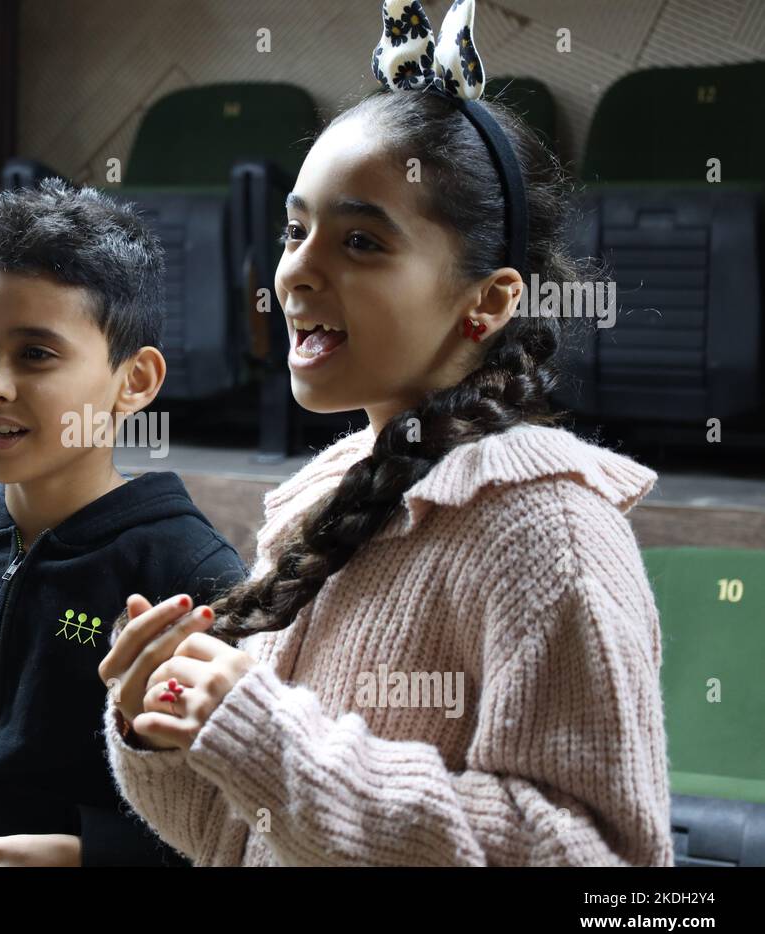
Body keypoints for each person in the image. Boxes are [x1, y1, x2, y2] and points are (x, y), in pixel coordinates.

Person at [97, 0, 674, 866]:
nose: (297, 269)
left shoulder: (550, 533)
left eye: (361, 240)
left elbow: (607, 869)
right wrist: (167, 727)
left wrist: (271, 741)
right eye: (297, 230)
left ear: (487, 302)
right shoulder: (329, 494)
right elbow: (239, 840)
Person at [0, 178, 246, 867]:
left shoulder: (191, 579)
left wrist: (85, 854)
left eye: (35, 354)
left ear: (137, 381)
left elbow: (231, 822)